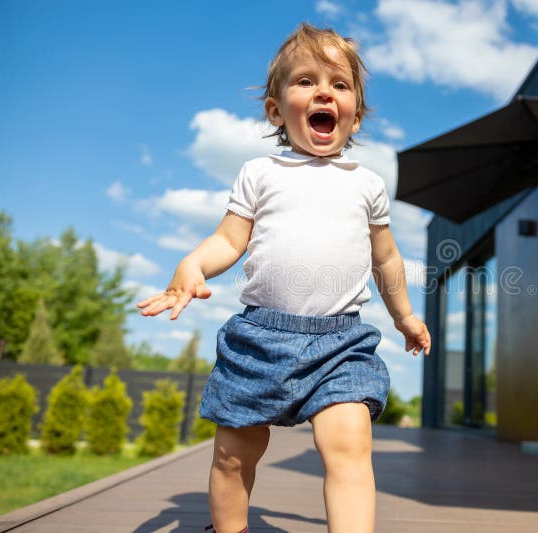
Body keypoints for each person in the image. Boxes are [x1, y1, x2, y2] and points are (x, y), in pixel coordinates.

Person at [136, 22, 431, 533]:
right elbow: (229, 240)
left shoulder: (367, 185)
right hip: (261, 338)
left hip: (342, 342)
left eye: (340, 85)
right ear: (276, 110)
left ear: (354, 115)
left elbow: (386, 260)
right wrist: (191, 265)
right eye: (306, 81)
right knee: (234, 455)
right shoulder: (261, 173)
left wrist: (405, 316)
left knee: (350, 448)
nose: (324, 92)